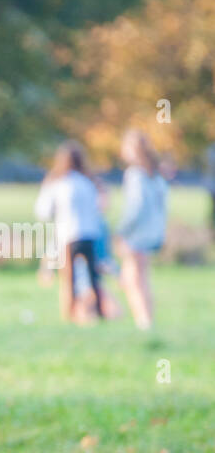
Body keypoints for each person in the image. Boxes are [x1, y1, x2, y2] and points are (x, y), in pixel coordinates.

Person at [35, 141, 107, 322]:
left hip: (68, 235)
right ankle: (98, 313)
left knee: (68, 279)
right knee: (93, 278)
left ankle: (69, 315)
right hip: (90, 234)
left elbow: (43, 212)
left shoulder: (58, 183)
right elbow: (98, 208)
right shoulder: (88, 182)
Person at [115, 130, 168, 330]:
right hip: (152, 232)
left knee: (133, 279)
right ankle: (145, 319)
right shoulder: (155, 174)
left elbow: (135, 208)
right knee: (139, 277)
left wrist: (122, 230)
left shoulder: (135, 174)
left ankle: (143, 321)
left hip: (137, 233)